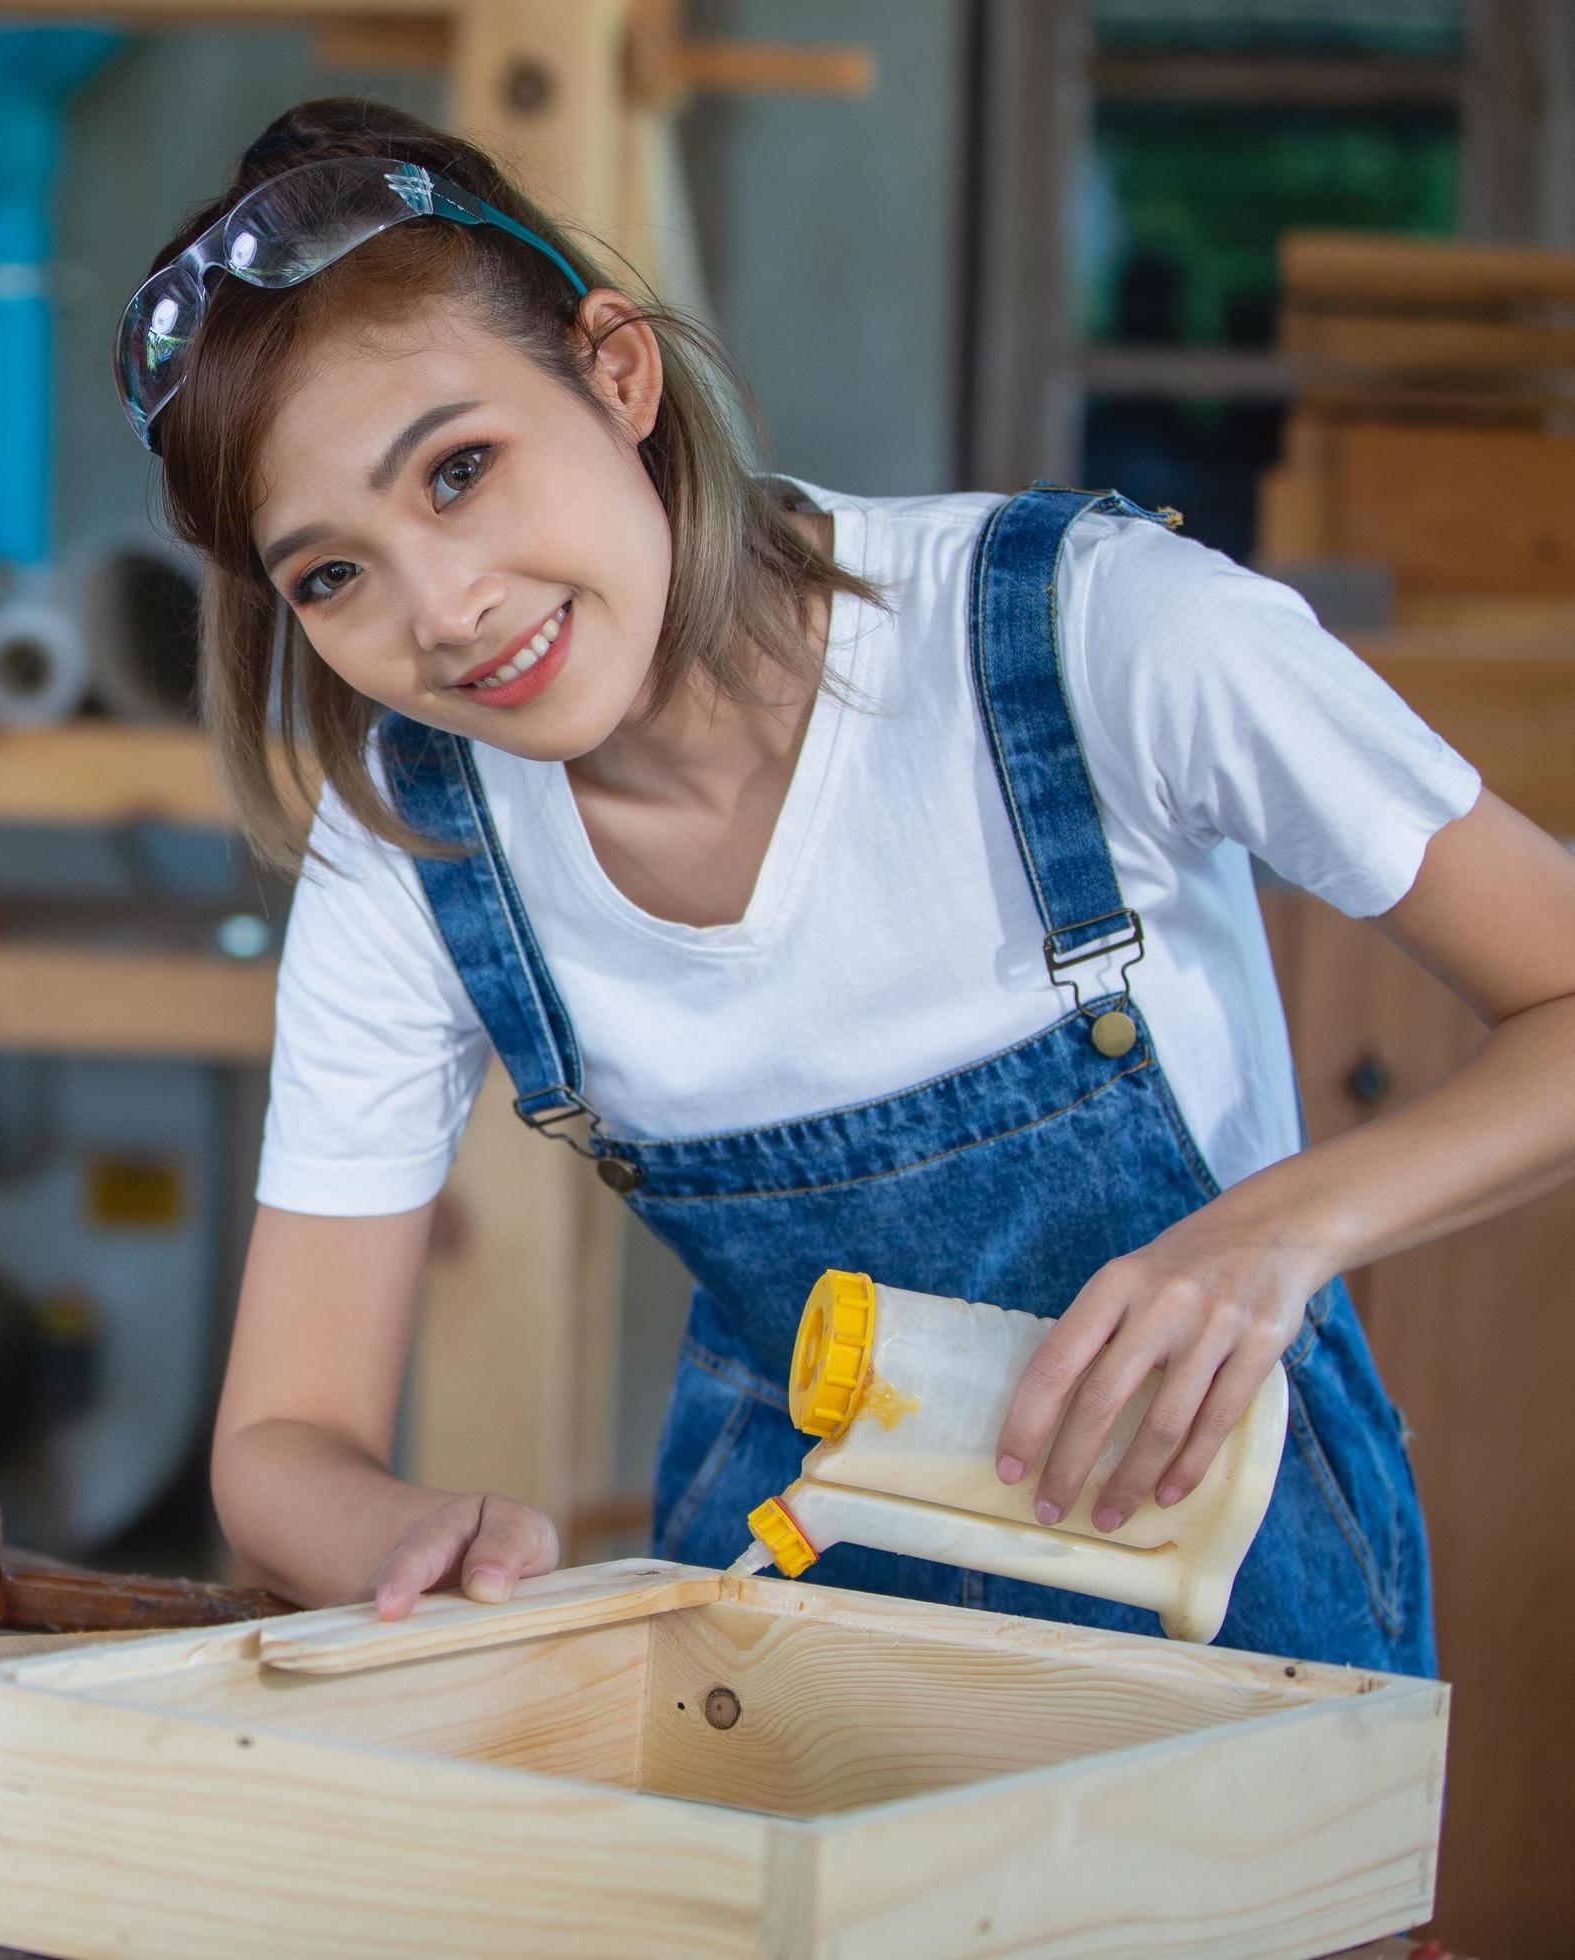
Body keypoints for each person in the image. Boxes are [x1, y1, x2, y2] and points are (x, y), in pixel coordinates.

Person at [134, 98, 1575, 1675]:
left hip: (1229, 1607)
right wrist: (402, 1537)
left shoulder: (1106, 638)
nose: (444, 609)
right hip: (786, 1640)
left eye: (460, 470)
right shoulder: (415, 844)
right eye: (331, 574)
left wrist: (1272, 1237)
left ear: (618, 373)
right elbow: (282, 1440)